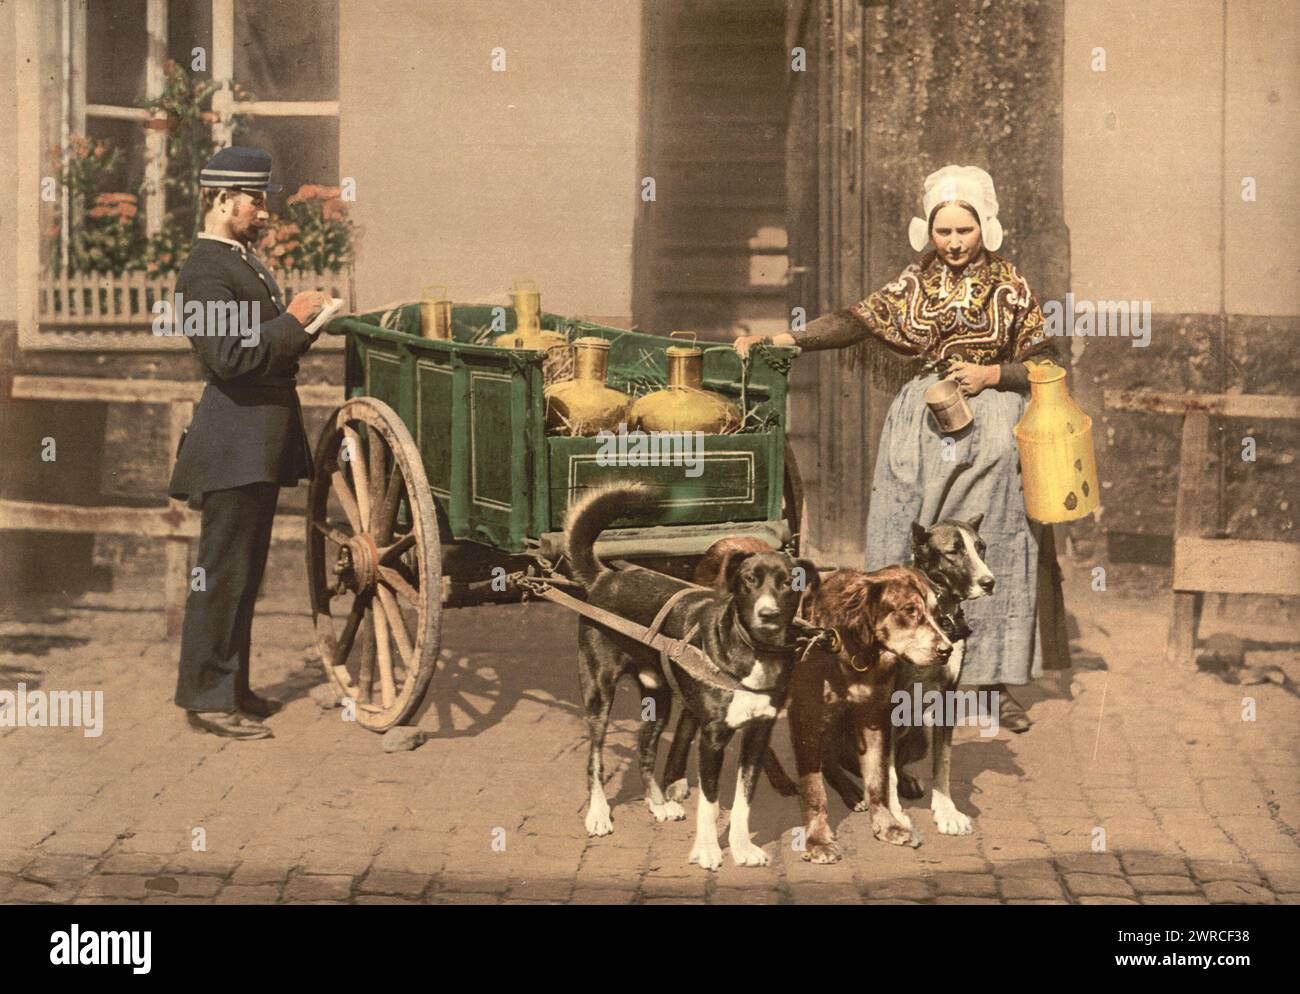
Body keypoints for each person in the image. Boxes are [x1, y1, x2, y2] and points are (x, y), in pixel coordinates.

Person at [735, 165, 1060, 732]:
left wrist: (992, 372)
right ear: (927, 232)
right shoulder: (914, 286)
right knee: (909, 537)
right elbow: (855, 321)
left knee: (989, 551)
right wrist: (786, 337)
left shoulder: (1012, 287)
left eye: (965, 230)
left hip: (993, 436)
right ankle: (903, 672)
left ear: (985, 226)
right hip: (921, 427)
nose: (955, 243)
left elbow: (1049, 361)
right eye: (944, 232)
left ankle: (988, 681)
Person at [167, 146, 328, 739]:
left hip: (255, 442)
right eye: (254, 201)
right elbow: (231, 357)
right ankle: (207, 699)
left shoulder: (239, 261)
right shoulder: (206, 270)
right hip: (233, 443)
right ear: (219, 200)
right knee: (222, 572)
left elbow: (262, 350)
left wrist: (303, 322)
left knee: (242, 574)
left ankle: (229, 686)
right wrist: (292, 322)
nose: (264, 212)